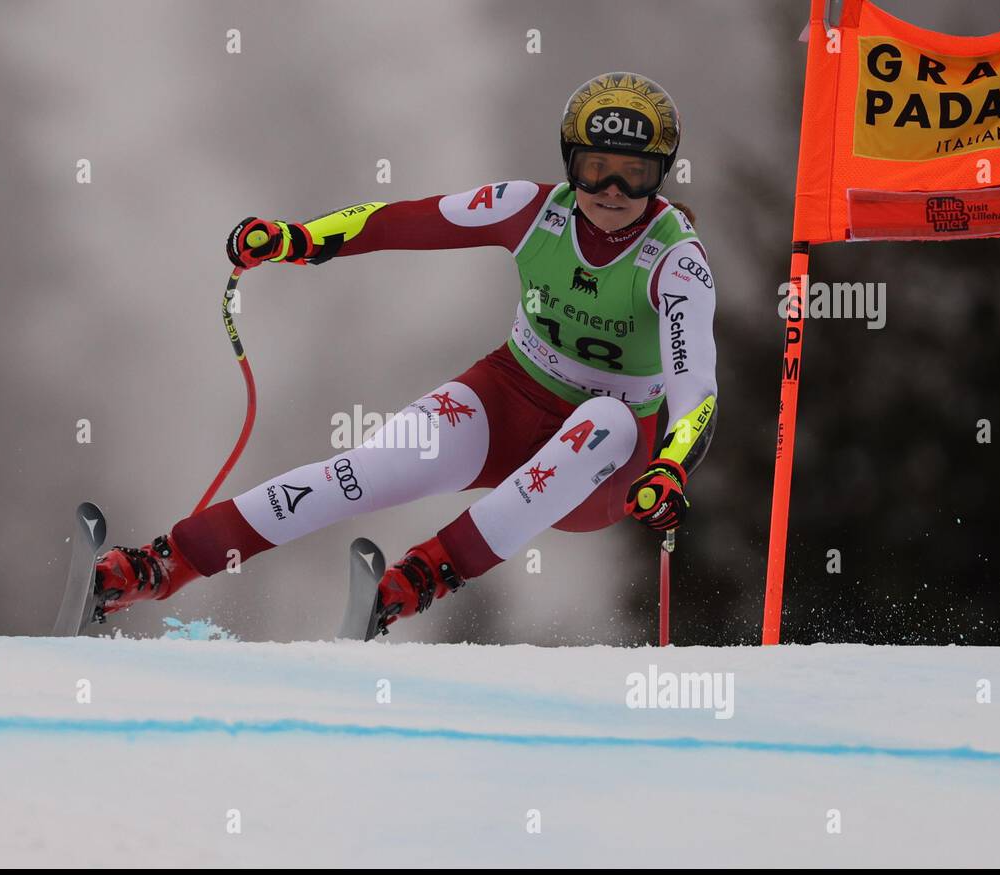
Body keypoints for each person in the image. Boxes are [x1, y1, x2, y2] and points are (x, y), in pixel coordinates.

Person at [92, 71, 718, 639]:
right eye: (594, 169)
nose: (610, 190)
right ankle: (166, 562)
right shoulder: (532, 210)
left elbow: (696, 395)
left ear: (659, 175)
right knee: (366, 470)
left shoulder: (676, 260)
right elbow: (404, 220)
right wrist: (300, 239)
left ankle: (426, 574)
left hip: (604, 464)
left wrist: (670, 469)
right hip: (510, 396)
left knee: (604, 417)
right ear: (569, 164)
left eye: (633, 175)